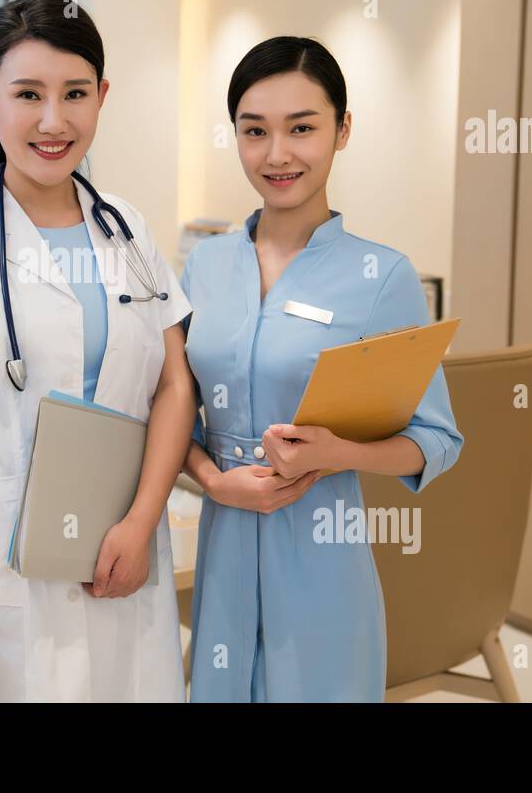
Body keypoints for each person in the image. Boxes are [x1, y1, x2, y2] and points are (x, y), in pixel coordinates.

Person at [0, 0, 196, 702]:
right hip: (0, 572)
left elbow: (174, 386)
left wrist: (143, 521)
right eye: (28, 94)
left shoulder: (129, 230)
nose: (55, 121)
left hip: (121, 558)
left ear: (102, 96)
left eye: (75, 93)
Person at [180, 35, 464, 702]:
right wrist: (214, 480)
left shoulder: (381, 275)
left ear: (342, 129)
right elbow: (171, 414)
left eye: (301, 128)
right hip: (221, 561)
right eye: (255, 131)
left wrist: (339, 451)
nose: (276, 154)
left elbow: (438, 440)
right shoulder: (205, 266)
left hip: (321, 563)